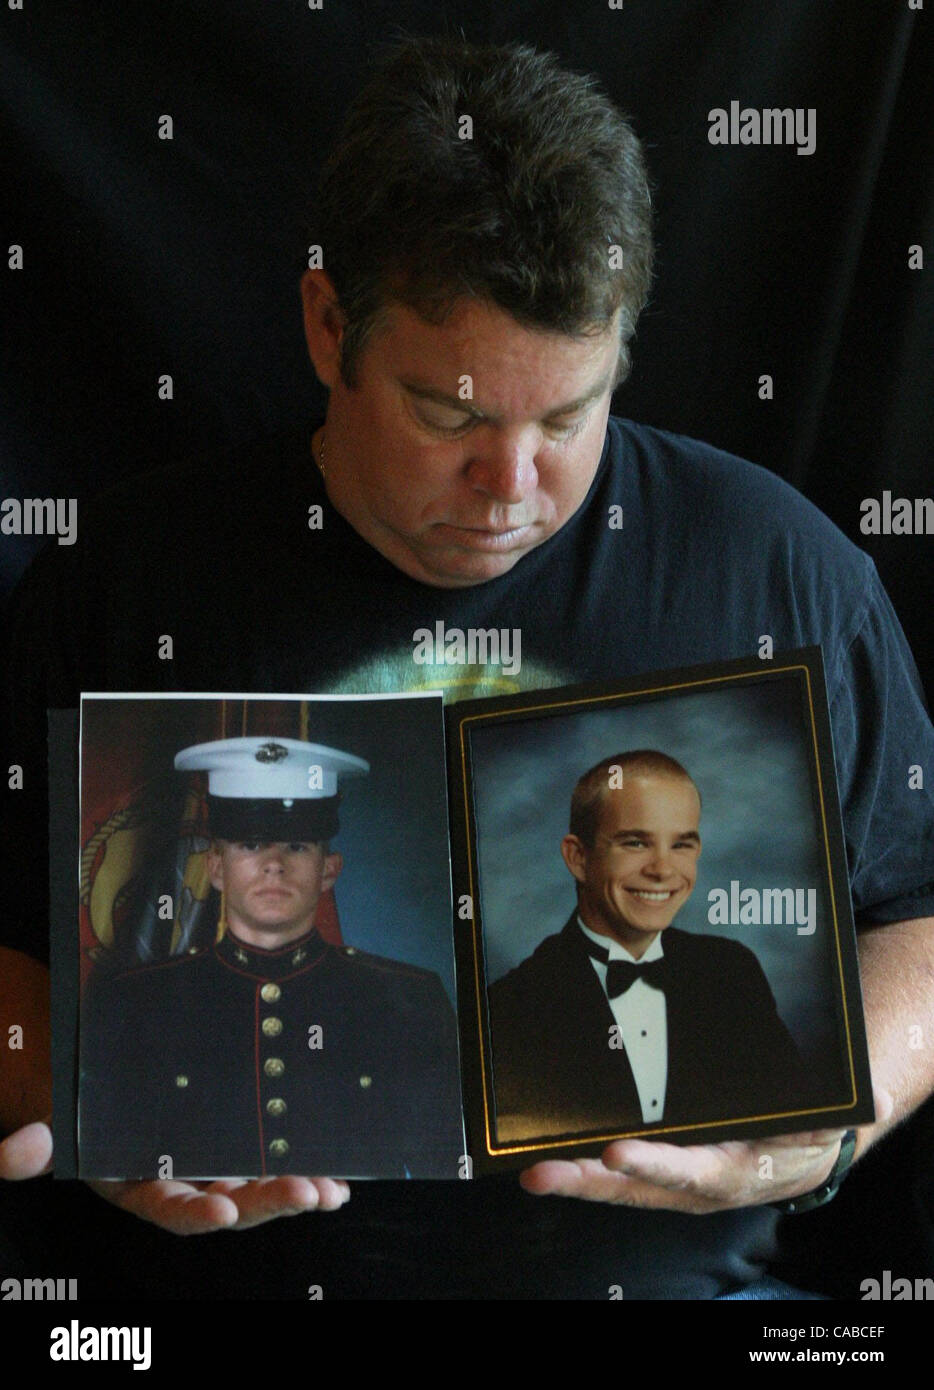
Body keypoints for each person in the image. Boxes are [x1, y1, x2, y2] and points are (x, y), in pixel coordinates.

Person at [1, 35, 932, 1299]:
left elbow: (920, 917)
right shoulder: (126, 576)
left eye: (567, 416)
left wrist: (817, 1140)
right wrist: (79, 1110)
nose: (511, 488)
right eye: (449, 417)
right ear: (329, 325)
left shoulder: (784, 570)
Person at [78, 736, 462, 1179]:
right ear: (216, 868)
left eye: (297, 846)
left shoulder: (407, 1000)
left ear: (329, 870)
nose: (274, 864)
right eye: (251, 845)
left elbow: (447, 1171)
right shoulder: (138, 1002)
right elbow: (108, 1166)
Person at [488, 751, 806, 1143]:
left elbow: (794, 1125)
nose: (662, 870)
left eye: (681, 845)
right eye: (636, 843)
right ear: (578, 857)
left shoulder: (732, 972)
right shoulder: (511, 1007)